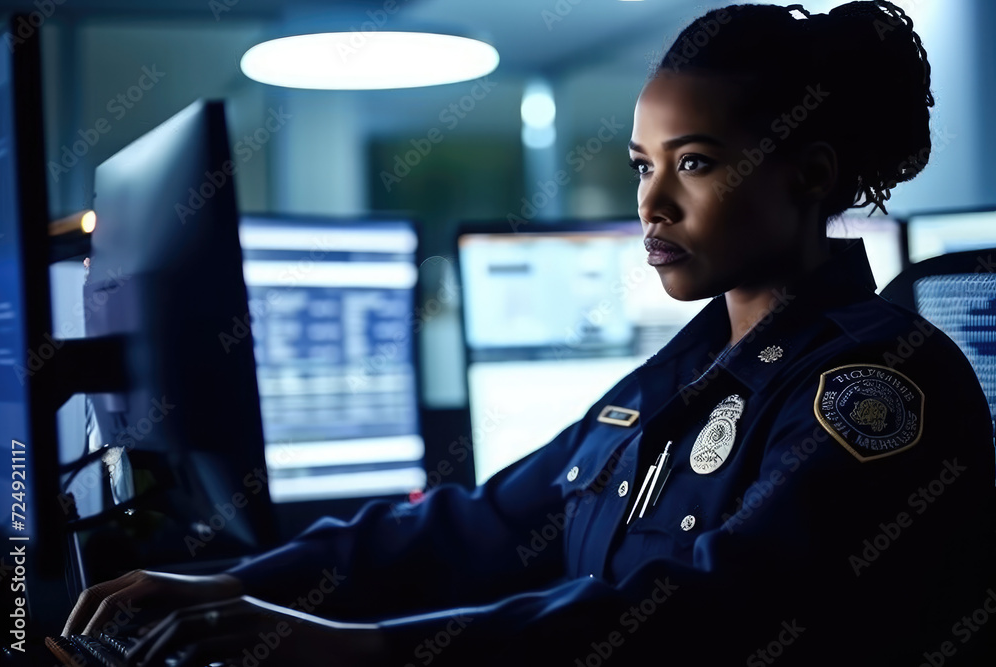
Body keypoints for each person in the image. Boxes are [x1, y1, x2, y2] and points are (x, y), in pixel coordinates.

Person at [61, 2, 996, 665]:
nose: (651, 203)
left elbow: (720, 613)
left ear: (808, 174)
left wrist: (368, 651)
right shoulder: (680, 375)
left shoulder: (877, 381)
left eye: (695, 163)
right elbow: (477, 528)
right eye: (641, 167)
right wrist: (229, 586)